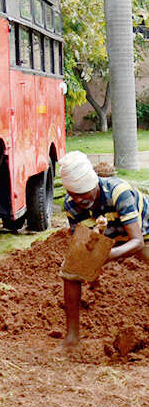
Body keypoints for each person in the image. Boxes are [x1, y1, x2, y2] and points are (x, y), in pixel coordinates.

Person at [58, 150, 149, 350]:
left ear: (94, 185)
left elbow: (137, 242)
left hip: (143, 233)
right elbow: (83, 240)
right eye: (74, 195)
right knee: (70, 271)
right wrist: (86, 262)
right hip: (111, 235)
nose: (79, 200)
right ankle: (72, 338)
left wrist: (107, 257)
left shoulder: (119, 192)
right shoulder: (72, 205)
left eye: (83, 194)